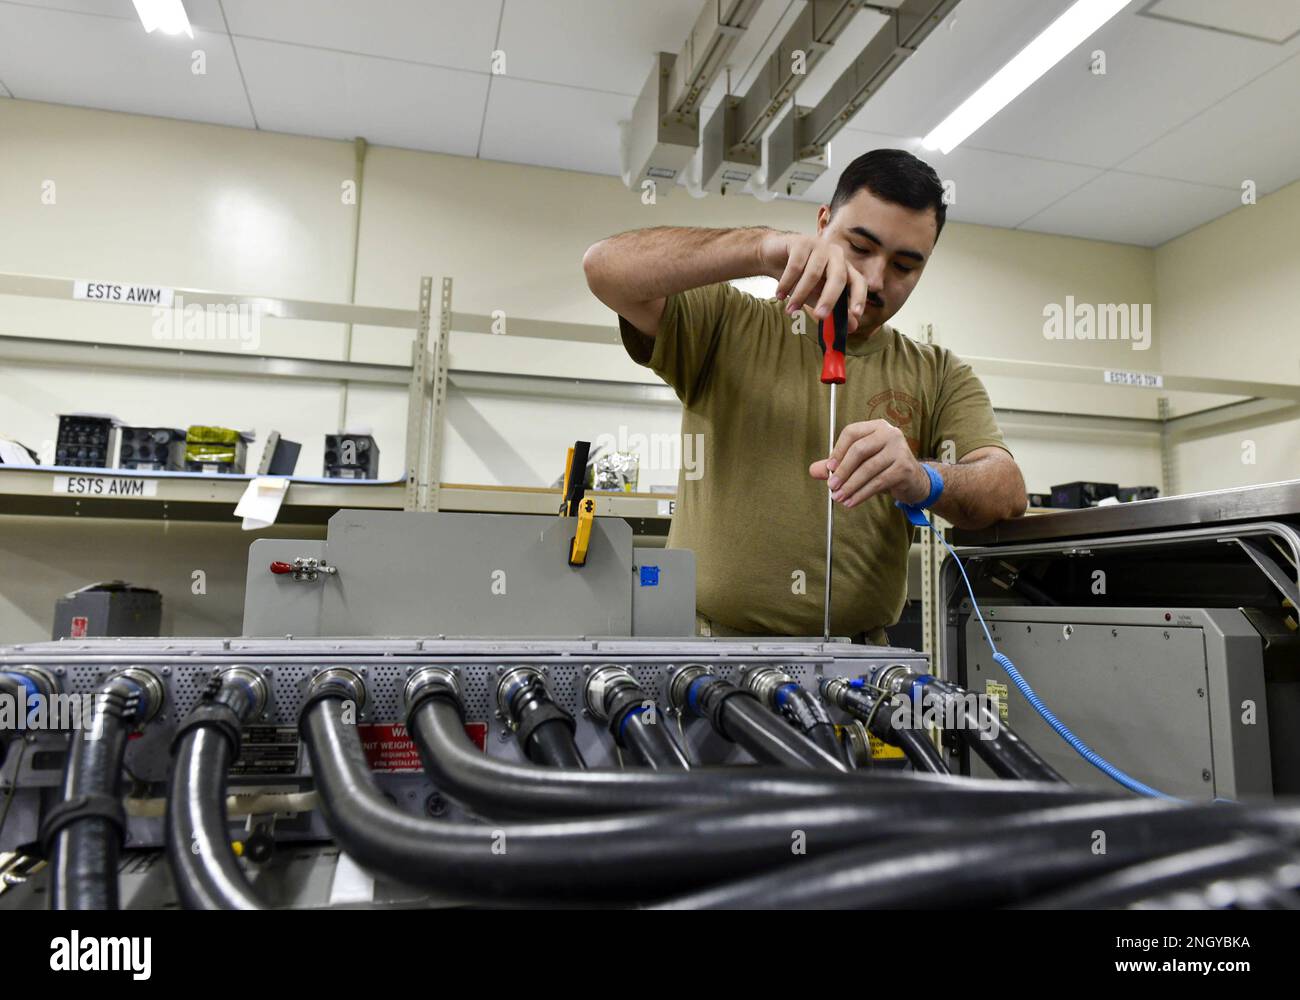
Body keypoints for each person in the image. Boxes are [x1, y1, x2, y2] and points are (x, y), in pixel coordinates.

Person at [583, 149, 1026, 643]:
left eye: (904, 266)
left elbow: (1006, 492)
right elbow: (605, 267)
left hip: (859, 664)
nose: (876, 280)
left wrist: (924, 479)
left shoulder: (938, 373)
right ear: (822, 225)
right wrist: (761, 248)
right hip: (712, 656)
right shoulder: (726, 324)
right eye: (859, 246)